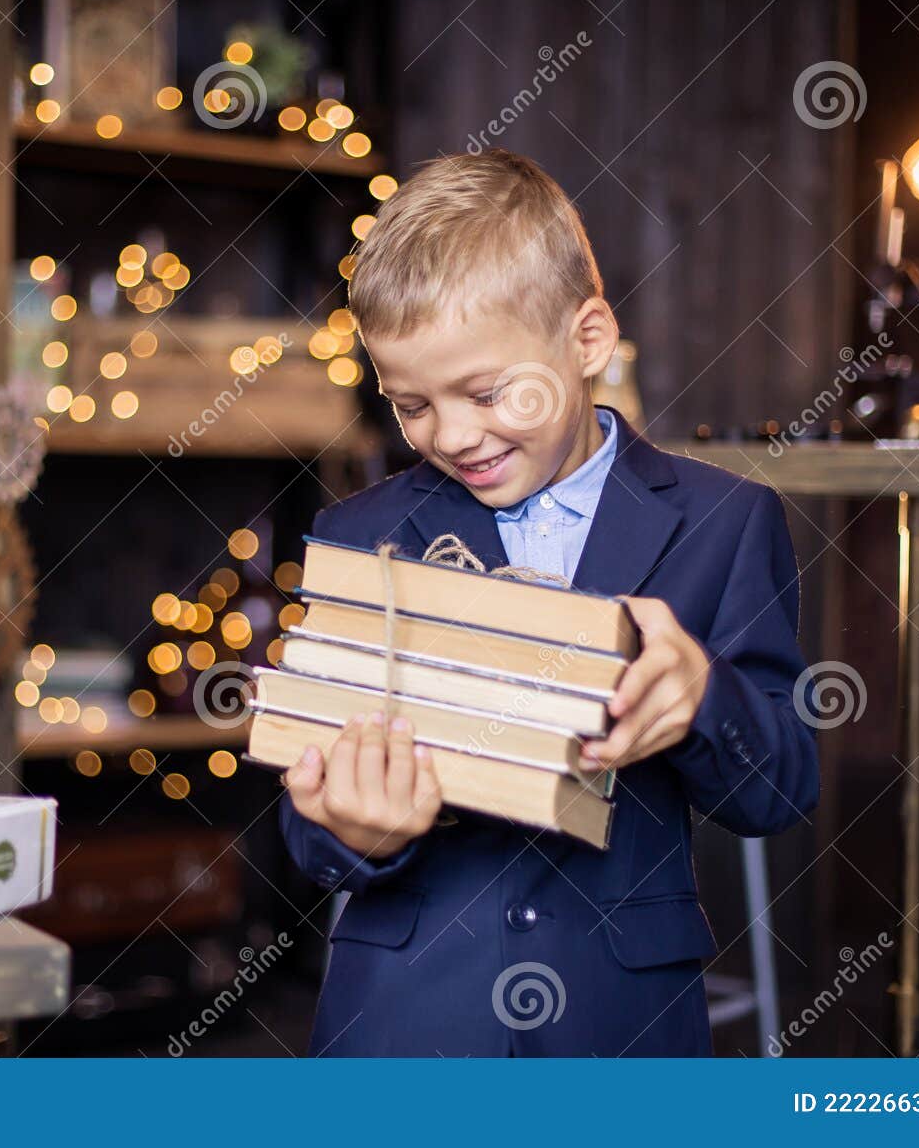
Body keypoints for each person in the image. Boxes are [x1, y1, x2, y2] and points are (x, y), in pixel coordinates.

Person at [279, 148, 818, 1056]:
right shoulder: (355, 535)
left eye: (488, 393)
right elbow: (307, 817)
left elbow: (781, 785)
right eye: (411, 404)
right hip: (407, 1026)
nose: (451, 435)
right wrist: (355, 832)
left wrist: (704, 702)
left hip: (621, 1022)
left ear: (589, 339)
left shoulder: (726, 521)